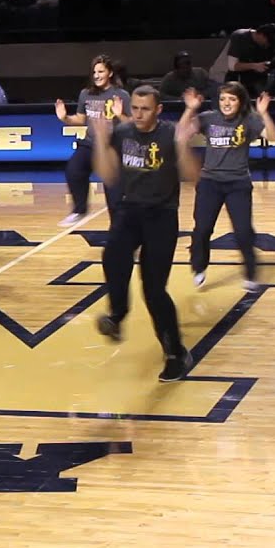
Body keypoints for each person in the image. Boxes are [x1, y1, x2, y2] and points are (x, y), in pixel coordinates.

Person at [89, 85, 199, 382]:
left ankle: (176, 353)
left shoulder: (170, 133)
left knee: (153, 289)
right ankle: (116, 315)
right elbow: (109, 174)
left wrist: (182, 145)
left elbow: (192, 177)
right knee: (112, 255)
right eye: (135, 108)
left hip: (161, 216)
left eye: (145, 109)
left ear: (158, 110)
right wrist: (100, 141)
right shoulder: (122, 133)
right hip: (129, 210)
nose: (138, 114)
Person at [176, 82, 275, 290]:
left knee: (243, 231)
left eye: (232, 99)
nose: (227, 103)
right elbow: (181, 134)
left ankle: (251, 273)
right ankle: (199, 267)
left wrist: (263, 113)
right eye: (223, 98)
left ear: (240, 101)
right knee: (202, 229)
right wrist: (190, 109)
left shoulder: (249, 120)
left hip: (238, 183)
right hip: (209, 183)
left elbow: (273, 137)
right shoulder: (208, 118)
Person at [54, 54, 132, 227]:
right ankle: (80, 210)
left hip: (113, 148)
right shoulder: (86, 94)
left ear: (110, 73)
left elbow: (133, 125)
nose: (96, 75)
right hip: (90, 144)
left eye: (101, 71)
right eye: (94, 72)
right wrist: (65, 117)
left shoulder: (121, 95)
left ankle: (122, 237)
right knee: (73, 170)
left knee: (115, 198)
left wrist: (120, 115)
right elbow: (81, 119)